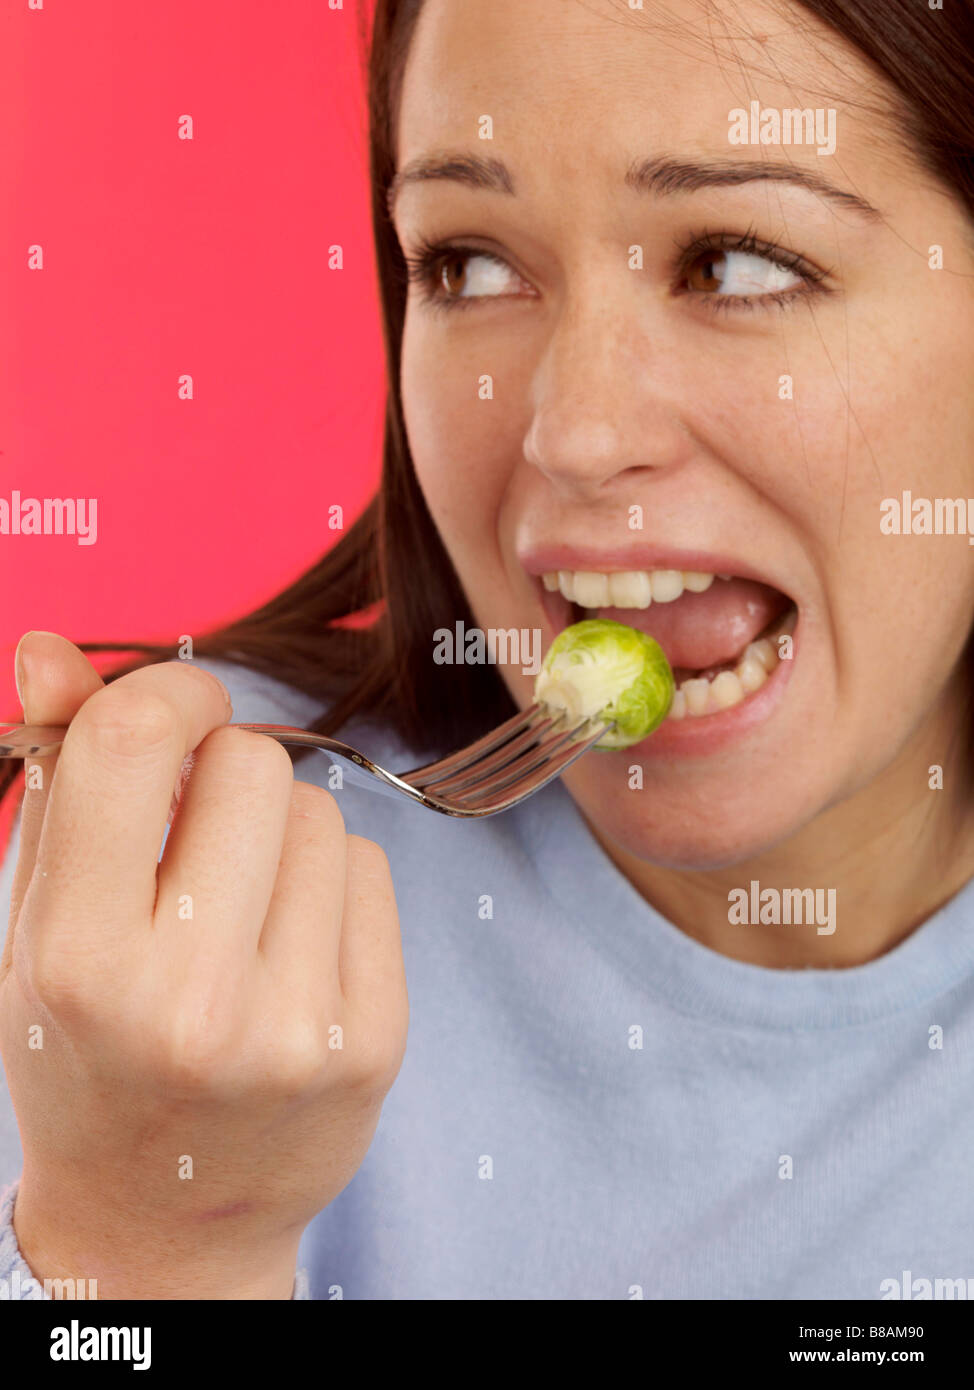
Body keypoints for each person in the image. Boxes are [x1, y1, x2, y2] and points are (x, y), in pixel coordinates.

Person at [1, 0, 973, 1299]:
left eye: (737, 261)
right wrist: (140, 1244)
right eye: (466, 263)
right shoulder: (173, 907)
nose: (572, 429)